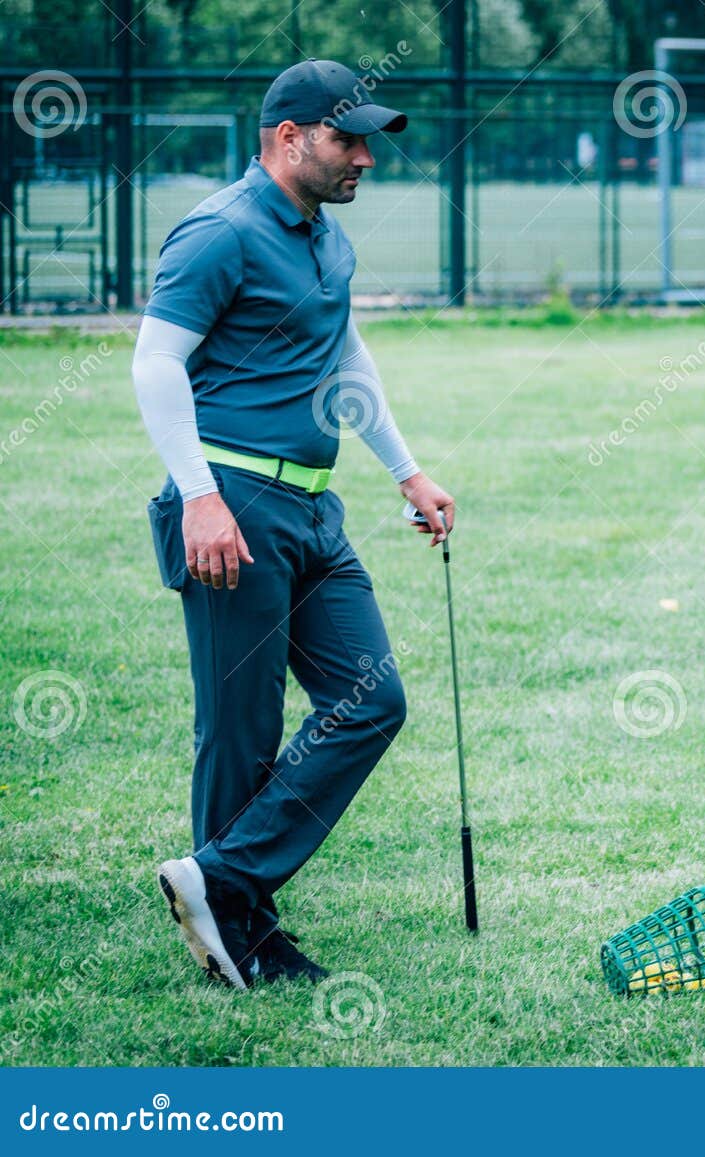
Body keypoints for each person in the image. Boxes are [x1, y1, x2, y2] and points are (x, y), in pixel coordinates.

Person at [132, 60, 455, 989]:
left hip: (315, 506)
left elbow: (343, 353)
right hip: (232, 501)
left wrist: (407, 468)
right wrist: (198, 495)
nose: (366, 158)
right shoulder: (220, 232)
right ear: (289, 138)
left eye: (368, 141)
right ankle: (241, 933)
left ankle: (218, 881)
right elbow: (156, 364)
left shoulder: (324, 237)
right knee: (240, 732)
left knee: (372, 699)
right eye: (348, 139)